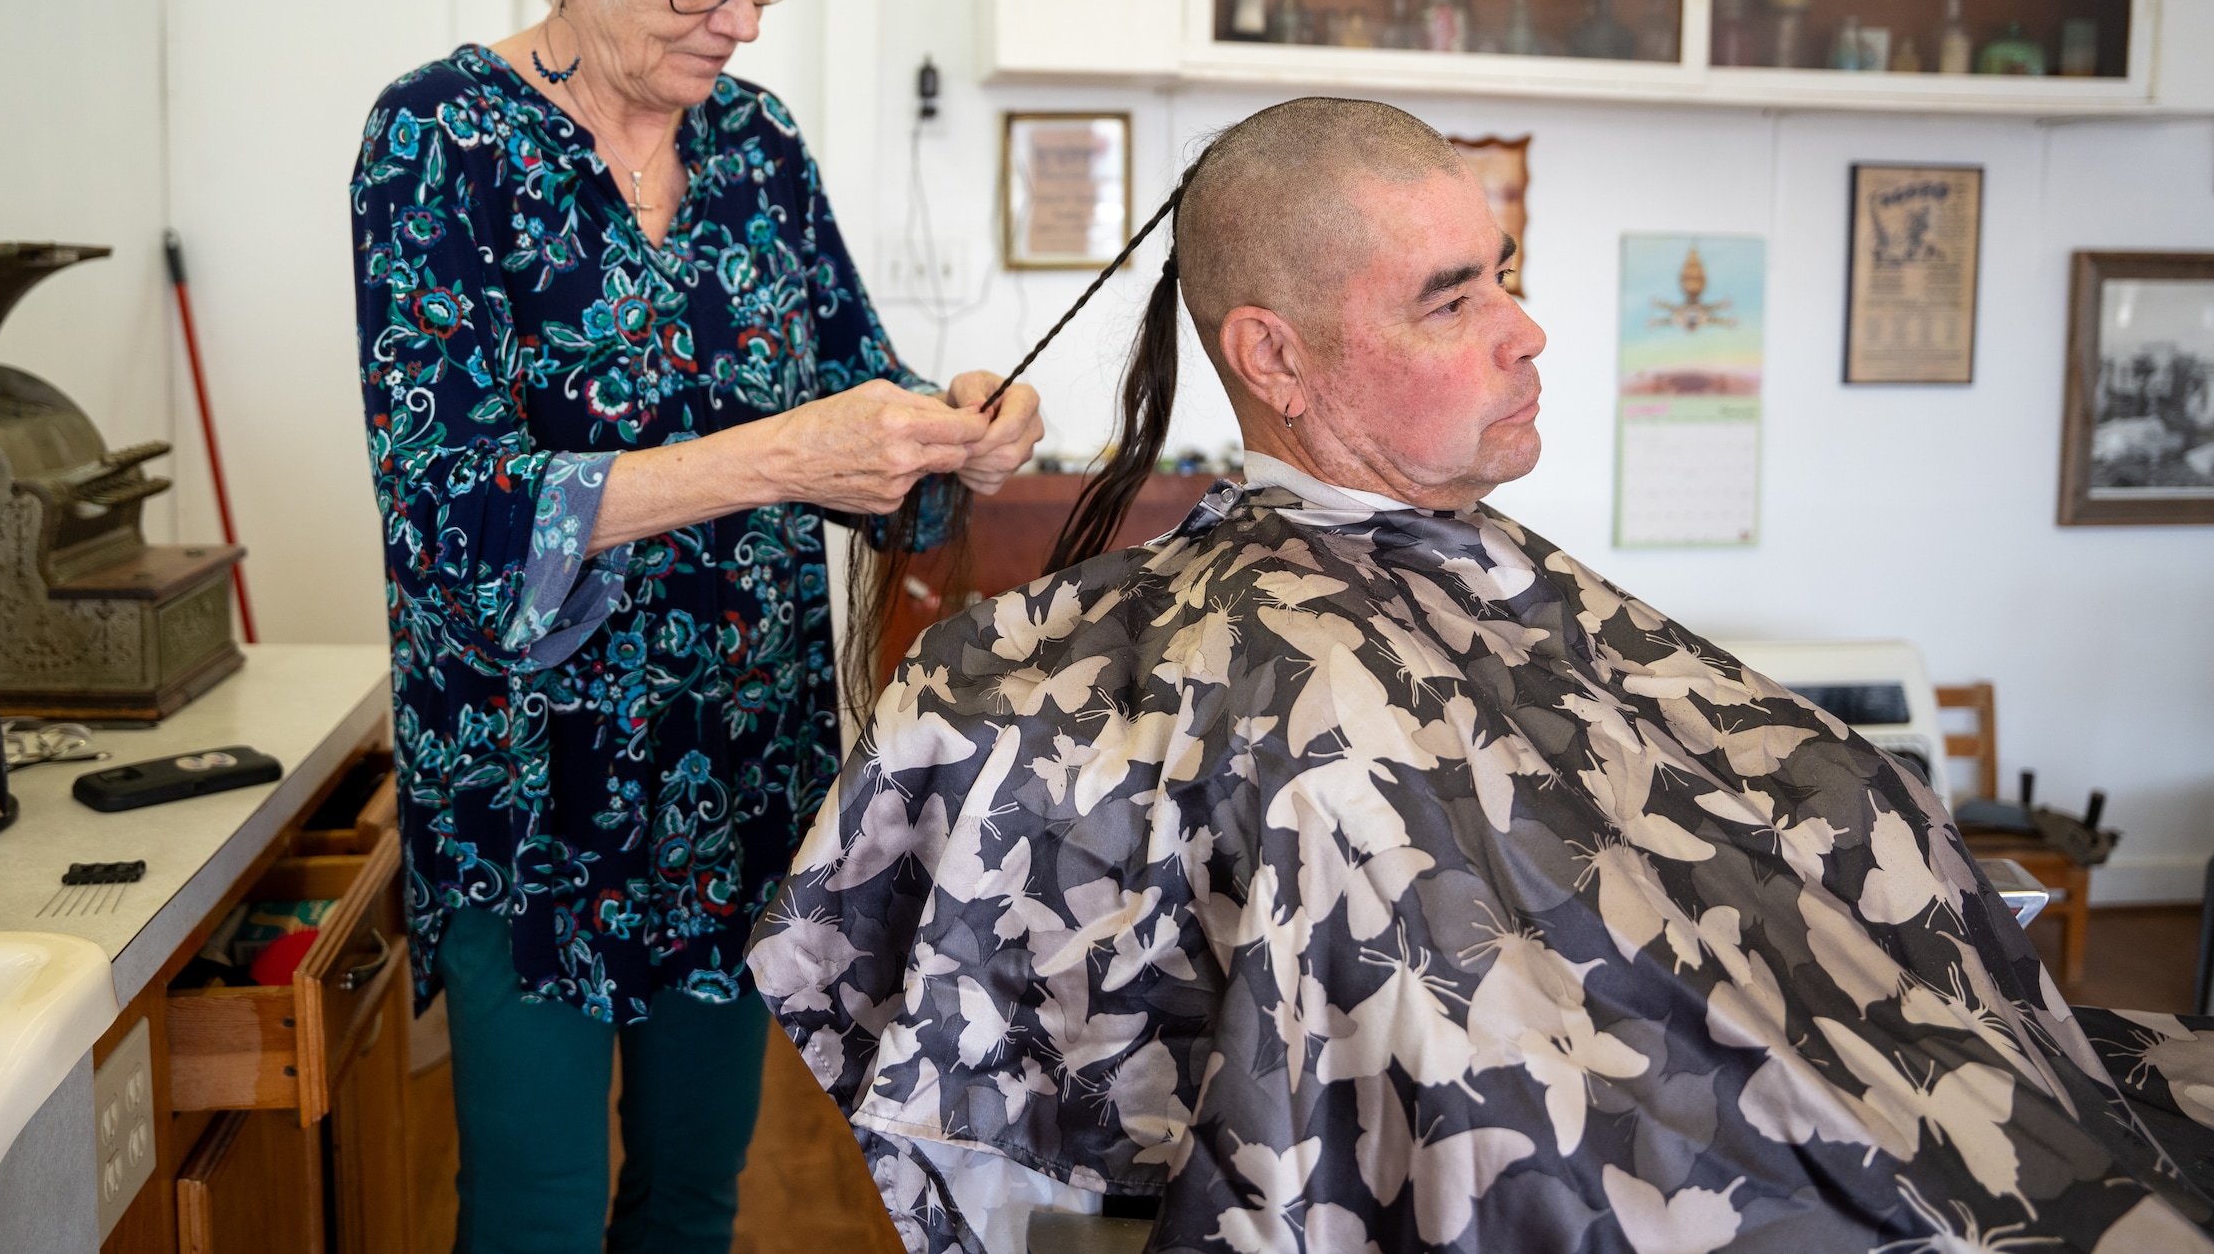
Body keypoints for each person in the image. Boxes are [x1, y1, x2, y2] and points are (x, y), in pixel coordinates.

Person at [750, 99, 2214, 1254]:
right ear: (1277, 356)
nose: (1528, 331)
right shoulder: (1275, 669)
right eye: (1452, 301)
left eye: (1501, 274)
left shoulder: (1483, 570)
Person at [350, 0, 1042, 1253]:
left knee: (692, 1198)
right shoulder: (436, 143)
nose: (735, 18)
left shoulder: (758, 151)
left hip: (736, 776)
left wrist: (951, 431)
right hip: (532, 790)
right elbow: (458, 510)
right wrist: (785, 452)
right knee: (532, 1210)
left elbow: (859, 418)